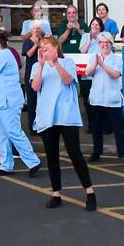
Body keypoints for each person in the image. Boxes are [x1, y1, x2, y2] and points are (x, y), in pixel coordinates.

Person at [30, 35, 96, 210]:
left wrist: (55, 63)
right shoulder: (38, 66)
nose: (43, 51)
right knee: (51, 156)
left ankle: (89, 191)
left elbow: (67, 81)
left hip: (66, 115)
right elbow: (35, 87)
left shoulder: (67, 63)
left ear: (55, 48)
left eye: (46, 47)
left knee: (74, 153)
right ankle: (56, 193)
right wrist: (43, 65)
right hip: (46, 116)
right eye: (41, 48)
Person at [0, 29, 41, 177]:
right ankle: (6, 165)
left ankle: (33, 161)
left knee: (13, 132)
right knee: (0, 135)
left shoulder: (4, 54)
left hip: (7, 100)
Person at [87, 32, 124, 165]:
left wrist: (102, 64)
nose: (104, 45)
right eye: (102, 43)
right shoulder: (93, 57)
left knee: (120, 128)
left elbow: (115, 75)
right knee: (96, 128)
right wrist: (95, 64)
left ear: (111, 44)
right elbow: (88, 72)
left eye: (107, 42)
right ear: (98, 45)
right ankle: (96, 152)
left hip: (112, 99)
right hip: (96, 98)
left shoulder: (117, 59)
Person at [20, 26, 42, 133]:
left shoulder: (43, 40)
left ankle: (41, 125)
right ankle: (32, 127)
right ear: (31, 30)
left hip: (42, 73)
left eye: (38, 28)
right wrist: (37, 45)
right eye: (34, 28)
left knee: (41, 101)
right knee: (32, 102)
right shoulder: (27, 42)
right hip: (30, 74)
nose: (37, 30)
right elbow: (28, 54)